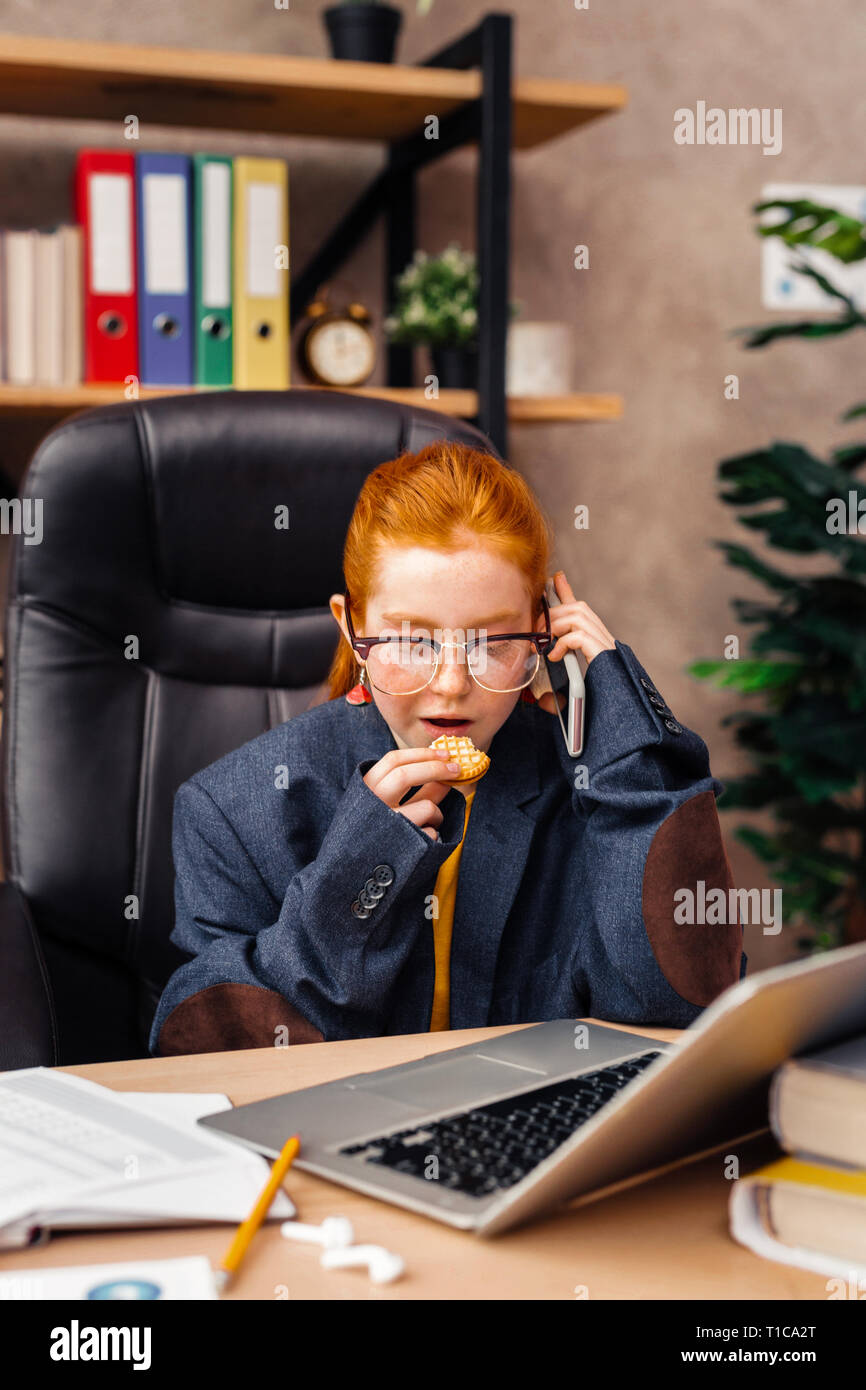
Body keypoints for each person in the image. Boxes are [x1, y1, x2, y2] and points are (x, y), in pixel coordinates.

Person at [149, 440, 746, 1056]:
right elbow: (203, 1058)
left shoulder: (603, 788)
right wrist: (358, 880)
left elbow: (680, 1017)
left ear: (543, 631)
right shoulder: (230, 810)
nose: (453, 684)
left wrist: (634, 746)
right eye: (412, 640)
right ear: (352, 628)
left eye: (493, 641)